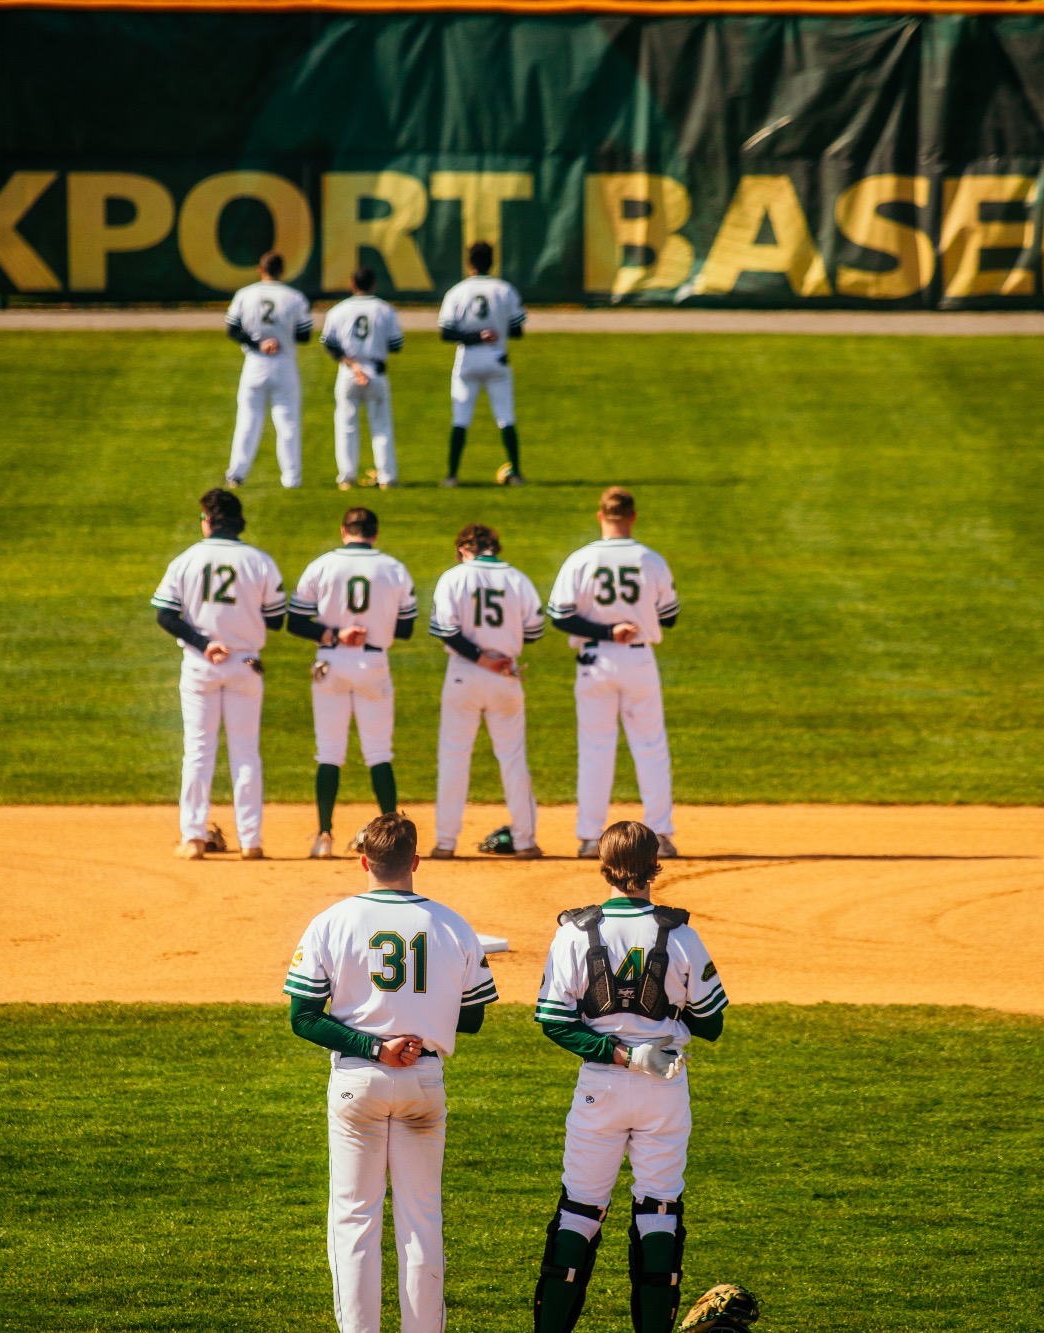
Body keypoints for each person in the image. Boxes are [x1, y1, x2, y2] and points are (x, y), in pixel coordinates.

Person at [285, 812, 500, 1333]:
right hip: (423, 1083)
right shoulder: (453, 924)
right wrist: (421, 1021)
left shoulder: (332, 921)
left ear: (365, 862)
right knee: (421, 1220)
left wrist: (374, 1046)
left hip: (357, 1084)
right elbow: (473, 1018)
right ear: (415, 862)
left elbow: (303, 1017)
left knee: (355, 1220)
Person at [531, 820, 729, 1333]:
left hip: (600, 1087)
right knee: (659, 1209)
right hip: (665, 1086)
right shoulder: (680, 934)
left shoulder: (574, 932)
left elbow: (554, 1021)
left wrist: (620, 1051)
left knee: (580, 1210)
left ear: (604, 866)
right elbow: (712, 1023)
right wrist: (661, 1027)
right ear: (655, 865)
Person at [149, 487, 285, 859]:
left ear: (208, 521)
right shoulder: (259, 561)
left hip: (200, 664)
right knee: (246, 753)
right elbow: (276, 619)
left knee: (197, 751)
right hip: (245, 665)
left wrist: (204, 641)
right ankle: (251, 841)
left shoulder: (187, 559)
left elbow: (165, 614)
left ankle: (193, 838)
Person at [546, 488, 682, 859]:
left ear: (600, 515)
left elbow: (559, 616)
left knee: (595, 748)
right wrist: (632, 619)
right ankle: (661, 835)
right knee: (650, 747)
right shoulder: (650, 559)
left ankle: (591, 838)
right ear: (633, 516)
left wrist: (606, 630)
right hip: (639, 661)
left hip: (595, 663)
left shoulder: (581, 559)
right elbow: (669, 616)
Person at [287, 508, 419, 858]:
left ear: (343, 531)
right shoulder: (393, 568)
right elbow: (406, 628)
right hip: (373, 663)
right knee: (379, 753)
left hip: (331, 661)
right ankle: (392, 839)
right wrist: (375, 625)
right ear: (375, 533)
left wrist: (335, 634)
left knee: (329, 752)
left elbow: (295, 621)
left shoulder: (322, 565)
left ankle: (323, 836)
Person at [426, 522, 545, 859]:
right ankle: (525, 841)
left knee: (454, 757)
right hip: (505, 673)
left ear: (464, 549)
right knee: (513, 759)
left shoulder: (453, 577)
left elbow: (446, 631)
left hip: (463, 674)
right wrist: (499, 652)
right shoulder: (518, 579)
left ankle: (445, 843)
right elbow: (534, 631)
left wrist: (480, 657)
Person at [437, 240, 528, 487]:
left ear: (469, 263)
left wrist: (474, 336)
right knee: (506, 417)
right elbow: (517, 330)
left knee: (460, 418)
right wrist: (495, 330)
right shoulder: (505, 290)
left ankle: (452, 475)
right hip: (497, 358)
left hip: (467, 359)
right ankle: (516, 474)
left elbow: (446, 333)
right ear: (492, 261)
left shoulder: (457, 292)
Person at [224, 251, 313, 489]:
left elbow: (232, 330)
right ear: (282, 271)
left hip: (255, 363)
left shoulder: (245, 294)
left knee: (247, 420)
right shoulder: (295, 298)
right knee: (287, 423)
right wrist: (281, 337)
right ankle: (291, 479)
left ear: (260, 269)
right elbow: (304, 335)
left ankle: (236, 474)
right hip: (284, 364)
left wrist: (258, 343)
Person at [320, 268, 406, 490]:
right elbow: (396, 344)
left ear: (352, 284)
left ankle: (347, 478)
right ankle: (387, 477)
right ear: (373, 284)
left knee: (346, 426)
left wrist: (352, 364)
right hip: (375, 371)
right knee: (381, 425)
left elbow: (329, 343)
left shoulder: (338, 310)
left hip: (348, 371)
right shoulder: (385, 310)